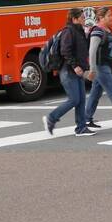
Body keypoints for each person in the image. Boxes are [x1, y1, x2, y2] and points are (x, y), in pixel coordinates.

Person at [44, 8, 94, 137]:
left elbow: (82, 50)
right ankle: (51, 117)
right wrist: (75, 66)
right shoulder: (68, 31)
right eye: (82, 17)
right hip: (68, 71)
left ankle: (81, 128)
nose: (84, 19)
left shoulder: (80, 31)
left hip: (78, 71)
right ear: (74, 19)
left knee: (81, 100)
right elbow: (65, 51)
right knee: (74, 99)